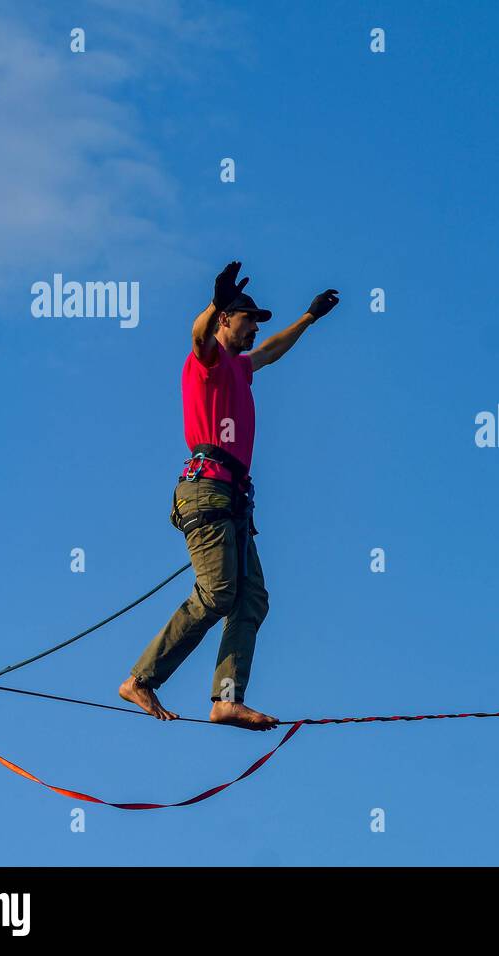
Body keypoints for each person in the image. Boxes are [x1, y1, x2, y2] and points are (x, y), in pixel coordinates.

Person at [119, 262, 339, 730]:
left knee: (251, 598)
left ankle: (226, 699)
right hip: (206, 491)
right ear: (225, 320)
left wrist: (308, 318)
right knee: (219, 593)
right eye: (248, 319)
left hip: (234, 498)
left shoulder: (241, 367)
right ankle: (141, 679)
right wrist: (215, 302)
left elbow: (273, 351)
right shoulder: (208, 359)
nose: (256, 327)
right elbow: (197, 334)